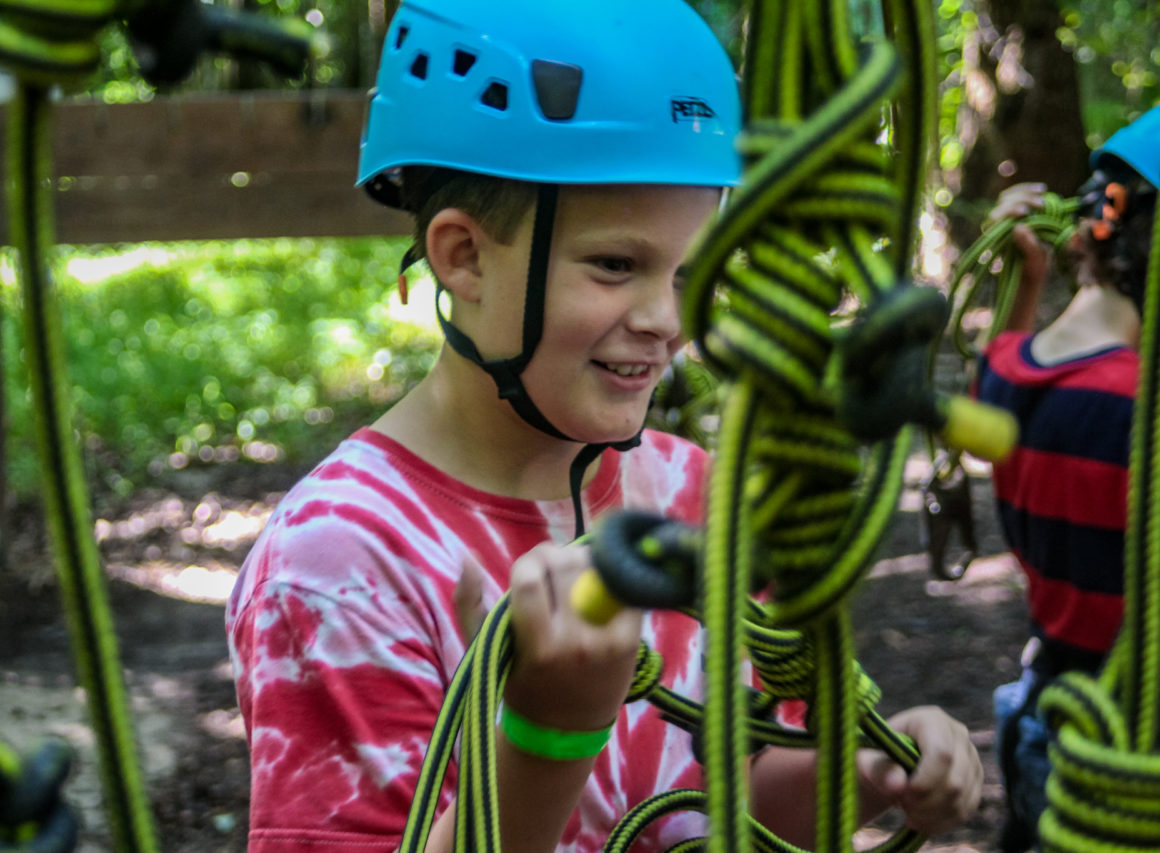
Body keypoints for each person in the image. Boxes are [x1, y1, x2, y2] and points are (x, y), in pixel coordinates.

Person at [225, 1, 983, 851]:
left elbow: (725, 802)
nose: (667, 320)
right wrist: (547, 735)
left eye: (691, 273)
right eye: (616, 265)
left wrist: (867, 773)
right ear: (463, 256)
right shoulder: (339, 563)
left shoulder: (692, 491)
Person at [974, 102, 1160, 853]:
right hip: (1129, 739)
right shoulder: (1137, 413)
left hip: (1044, 711)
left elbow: (1002, 349)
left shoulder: (1006, 374)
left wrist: (1025, 277)